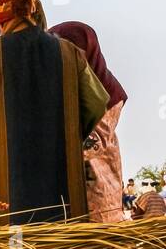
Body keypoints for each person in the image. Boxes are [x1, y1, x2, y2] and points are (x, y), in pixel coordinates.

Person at [0, 0, 108, 225]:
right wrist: (70, 135)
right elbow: (98, 102)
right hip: (60, 196)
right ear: (34, 14)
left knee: (10, 248)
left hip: (7, 193)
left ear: (2, 23)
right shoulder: (69, 53)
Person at [50, 20, 129, 223]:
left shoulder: (108, 93)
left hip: (99, 200)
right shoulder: (64, 89)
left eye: (74, 55)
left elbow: (93, 143)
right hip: (68, 201)